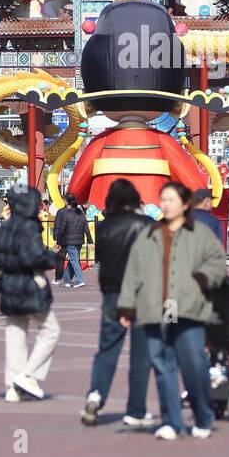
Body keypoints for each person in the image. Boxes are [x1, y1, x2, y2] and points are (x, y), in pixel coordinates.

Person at [117, 181, 227, 440]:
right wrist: (127, 305)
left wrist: (202, 279)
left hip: (188, 306)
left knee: (193, 363)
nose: (165, 204)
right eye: (162, 199)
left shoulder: (199, 233)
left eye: (170, 200)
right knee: (163, 364)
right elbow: (133, 271)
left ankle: (202, 415)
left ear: (185, 204)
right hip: (156, 308)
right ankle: (171, 421)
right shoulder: (150, 234)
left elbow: (217, 263)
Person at [82, 179, 158, 428]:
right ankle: (135, 410)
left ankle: (95, 395)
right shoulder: (148, 226)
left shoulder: (104, 229)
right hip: (143, 294)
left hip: (113, 294)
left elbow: (101, 259)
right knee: (141, 354)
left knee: (107, 349)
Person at [0, 186, 61, 401]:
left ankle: (13, 387)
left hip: (8, 286)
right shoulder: (29, 228)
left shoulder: (4, 228)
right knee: (50, 330)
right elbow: (33, 257)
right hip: (29, 285)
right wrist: (52, 259)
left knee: (15, 333)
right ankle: (29, 375)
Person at [53, 193, 91, 288]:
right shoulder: (80, 213)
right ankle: (66, 279)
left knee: (74, 260)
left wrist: (58, 241)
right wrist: (90, 240)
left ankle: (80, 280)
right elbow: (86, 226)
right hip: (79, 241)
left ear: (67, 202)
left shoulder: (66, 214)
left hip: (69, 240)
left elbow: (61, 229)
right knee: (73, 260)